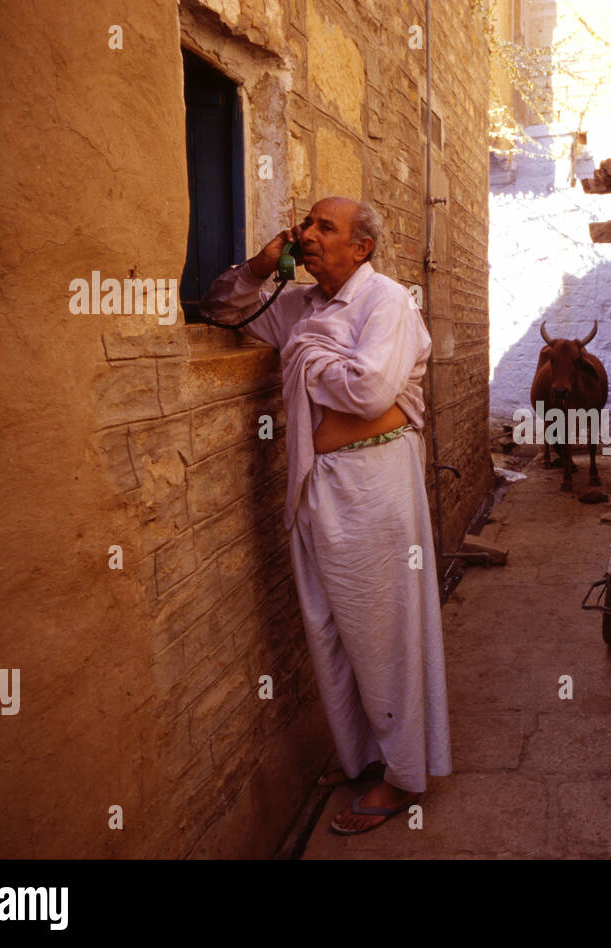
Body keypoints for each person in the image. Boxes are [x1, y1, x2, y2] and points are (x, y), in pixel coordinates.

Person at [199, 196, 451, 834]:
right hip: (318, 485)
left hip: (374, 484)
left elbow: (369, 393)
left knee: (384, 629)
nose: (306, 234)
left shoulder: (385, 301)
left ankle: (403, 776)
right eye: (306, 224)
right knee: (331, 628)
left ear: (360, 247)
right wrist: (260, 267)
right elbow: (223, 309)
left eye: (323, 227)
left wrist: (307, 359)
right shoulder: (302, 306)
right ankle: (362, 753)